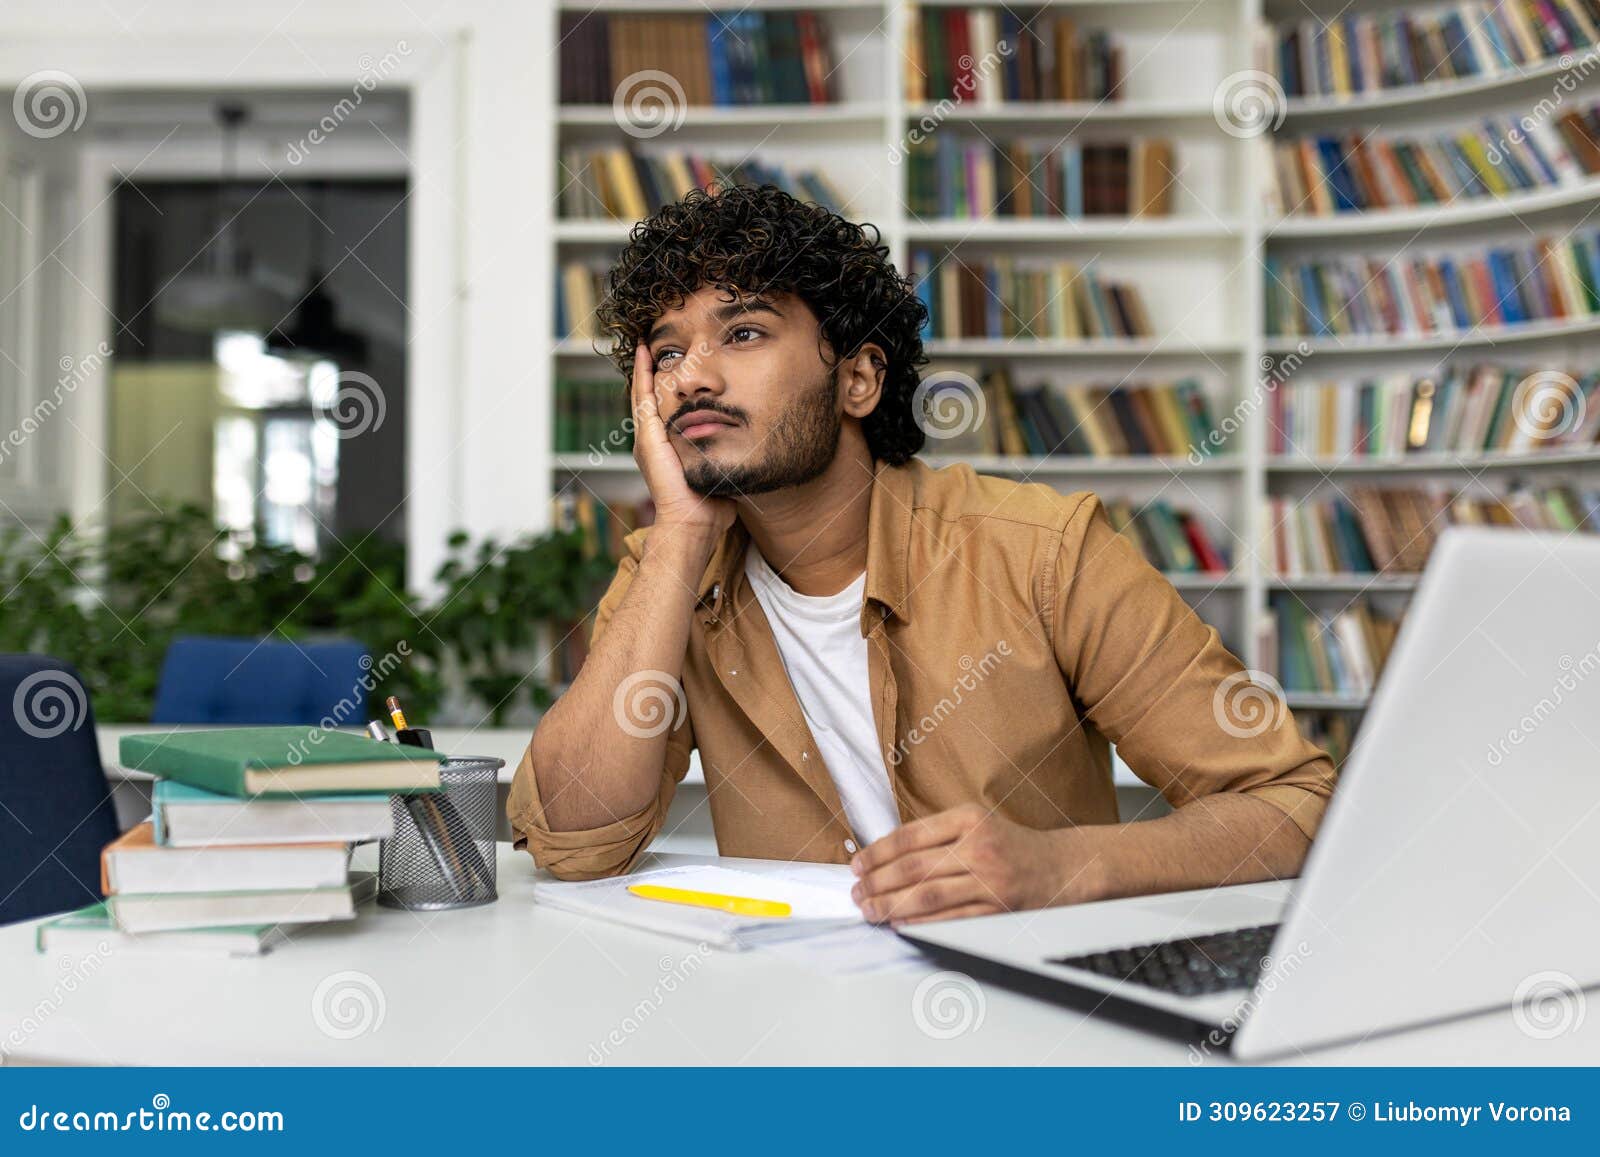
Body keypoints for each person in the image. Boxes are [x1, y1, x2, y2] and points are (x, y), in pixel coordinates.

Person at [509, 184, 1336, 927]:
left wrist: (1060, 867)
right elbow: (573, 842)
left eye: (745, 331)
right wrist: (682, 537)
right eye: (669, 351)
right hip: (796, 1025)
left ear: (859, 379)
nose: (692, 378)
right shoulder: (671, 575)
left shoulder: (1043, 549)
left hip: (1032, 1028)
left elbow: (1298, 802)